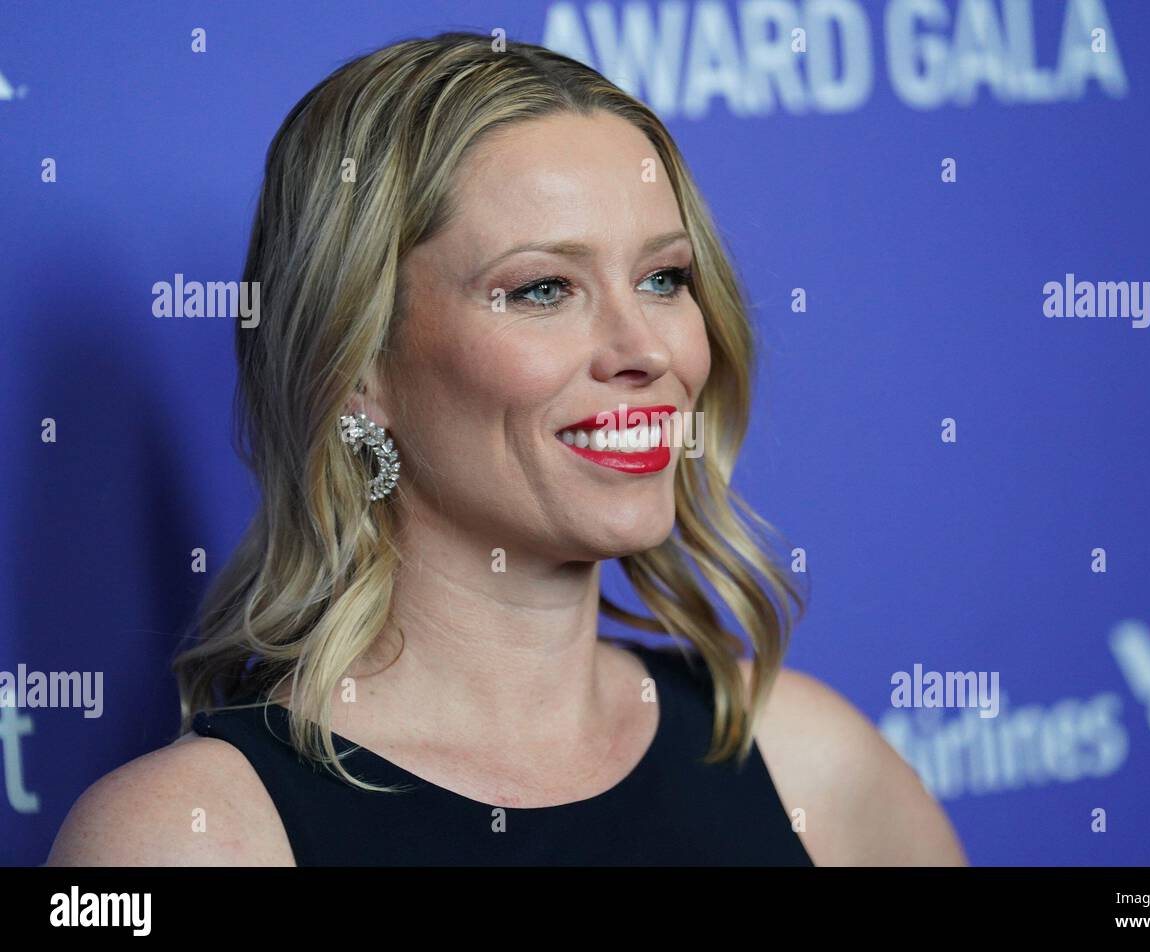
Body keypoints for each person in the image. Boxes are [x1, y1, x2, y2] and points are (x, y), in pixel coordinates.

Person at [47, 32, 966, 866]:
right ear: (358, 364)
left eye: (663, 278)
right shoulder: (188, 839)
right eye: (541, 290)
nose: (646, 349)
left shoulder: (805, 763)